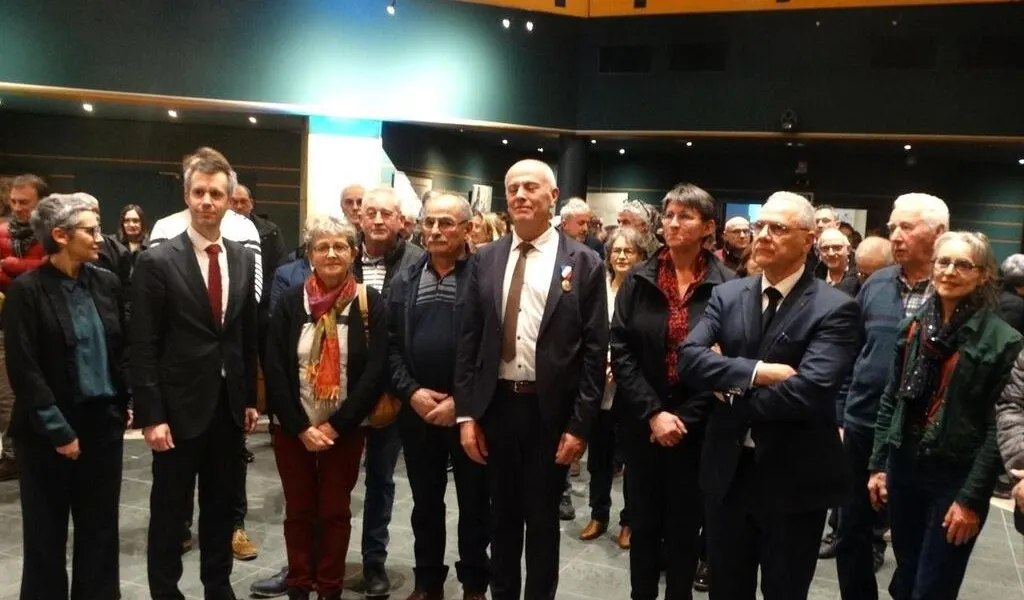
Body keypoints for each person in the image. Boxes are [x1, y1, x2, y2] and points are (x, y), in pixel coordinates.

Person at [678, 191, 861, 600]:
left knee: (785, 590)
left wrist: (728, 391)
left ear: (808, 239)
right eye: (760, 225)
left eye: (778, 228)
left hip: (794, 478)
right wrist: (757, 372)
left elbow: (807, 393)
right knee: (725, 588)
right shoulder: (729, 295)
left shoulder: (836, 308)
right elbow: (689, 360)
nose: (763, 235)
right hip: (728, 472)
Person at [455, 159, 607, 600]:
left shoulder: (584, 262)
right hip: (496, 407)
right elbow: (467, 342)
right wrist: (467, 415)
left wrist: (580, 426)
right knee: (501, 518)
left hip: (549, 414)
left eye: (530, 188)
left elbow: (595, 353)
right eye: (512, 188)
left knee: (542, 522)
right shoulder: (484, 259)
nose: (520, 195)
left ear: (552, 197)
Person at [131, 147, 260, 600]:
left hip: (226, 409)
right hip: (176, 410)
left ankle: (217, 585)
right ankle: (165, 590)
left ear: (230, 200)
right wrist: (150, 414)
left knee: (221, 507)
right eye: (199, 192)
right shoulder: (156, 260)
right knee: (170, 510)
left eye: (217, 193)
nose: (208, 201)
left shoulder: (243, 258)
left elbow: (242, 335)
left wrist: (248, 399)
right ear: (187, 196)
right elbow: (143, 344)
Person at [868, 231, 1021, 600]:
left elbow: (995, 428)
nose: (950, 271)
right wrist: (879, 464)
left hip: (956, 474)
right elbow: (892, 397)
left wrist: (971, 499)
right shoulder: (916, 326)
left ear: (984, 274)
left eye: (963, 264)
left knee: (934, 585)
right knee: (905, 575)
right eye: (943, 262)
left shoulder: (1004, 340)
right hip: (905, 464)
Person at [4, 193, 130, 600]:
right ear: (60, 235)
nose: (100, 237)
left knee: (100, 532)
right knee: (45, 536)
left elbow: (119, 348)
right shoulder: (27, 291)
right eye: (91, 230)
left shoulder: (106, 282)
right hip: (47, 432)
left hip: (102, 428)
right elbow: (24, 368)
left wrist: (125, 402)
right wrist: (60, 432)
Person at [612, 183, 734, 600]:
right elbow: (621, 349)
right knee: (643, 525)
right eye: (669, 215)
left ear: (708, 227)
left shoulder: (730, 285)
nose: (673, 223)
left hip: (696, 428)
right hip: (644, 424)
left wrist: (684, 417)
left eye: (686, 216)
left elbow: (727, 361)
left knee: (685, 529)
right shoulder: (640, 278)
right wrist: (653, 413)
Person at [264, 215, 388, 600]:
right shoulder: (289, 301)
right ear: (310, 255)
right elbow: (275, 368)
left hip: (344, 430)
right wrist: (301, 426)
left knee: (335, 512)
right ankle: (300, 584)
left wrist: (336, 426)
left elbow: (376, 371)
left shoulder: (369, 302)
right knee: (298, 510)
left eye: (340, 246)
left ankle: (330, 587)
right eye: (322, 247)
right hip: (293, 429)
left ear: (353, 253)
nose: (331, 253)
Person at [834, 193, 948, 600]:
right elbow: (851, 353)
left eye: (907, 227)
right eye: (893, 226)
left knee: (912, 536)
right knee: (851, 530)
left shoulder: (954, 289)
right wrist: (841, 416)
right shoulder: (877, 283)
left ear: (939, 233)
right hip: (863, 423)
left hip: (921, 434)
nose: (895, 236)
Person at [388, 192, 490, 600]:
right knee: (425, 505)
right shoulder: (406, 277)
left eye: (446, 223)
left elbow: (491, 347)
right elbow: (390, 344)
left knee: (475, 504)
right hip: (419, 413)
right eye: (429, 222)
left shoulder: (485, 278)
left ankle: (474, 584)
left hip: (470, 414)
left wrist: (461, 404)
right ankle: (428, 582)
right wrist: (411, 393)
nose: (435, 230)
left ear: (467, 228)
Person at [580, 227, 648, 549]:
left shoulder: (644, 292)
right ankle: (598, 514)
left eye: (628, 251)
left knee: (632, 460)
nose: (621, 256)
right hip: (597, 387)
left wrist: (620, 367)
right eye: (616, 251)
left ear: (641, 256)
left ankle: (629, 521)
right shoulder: (599, 289)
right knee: (599, 457)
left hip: (630, 388)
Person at [0, 173, 49, 482]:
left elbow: (52, 267)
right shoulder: (2, 232)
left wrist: (12, 266)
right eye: (14, 202)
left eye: (25, 202)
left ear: (40, 201)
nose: (18, 208)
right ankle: (12, 455)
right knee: (7, 392)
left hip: (44, 320)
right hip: (6, 322)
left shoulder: (51, 232)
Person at [818, 228, 859, 296]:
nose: (831, 253)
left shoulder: (860, 278)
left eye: (837, 247)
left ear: (848, 249)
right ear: (819, 252)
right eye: (825, 248)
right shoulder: (814, 278)